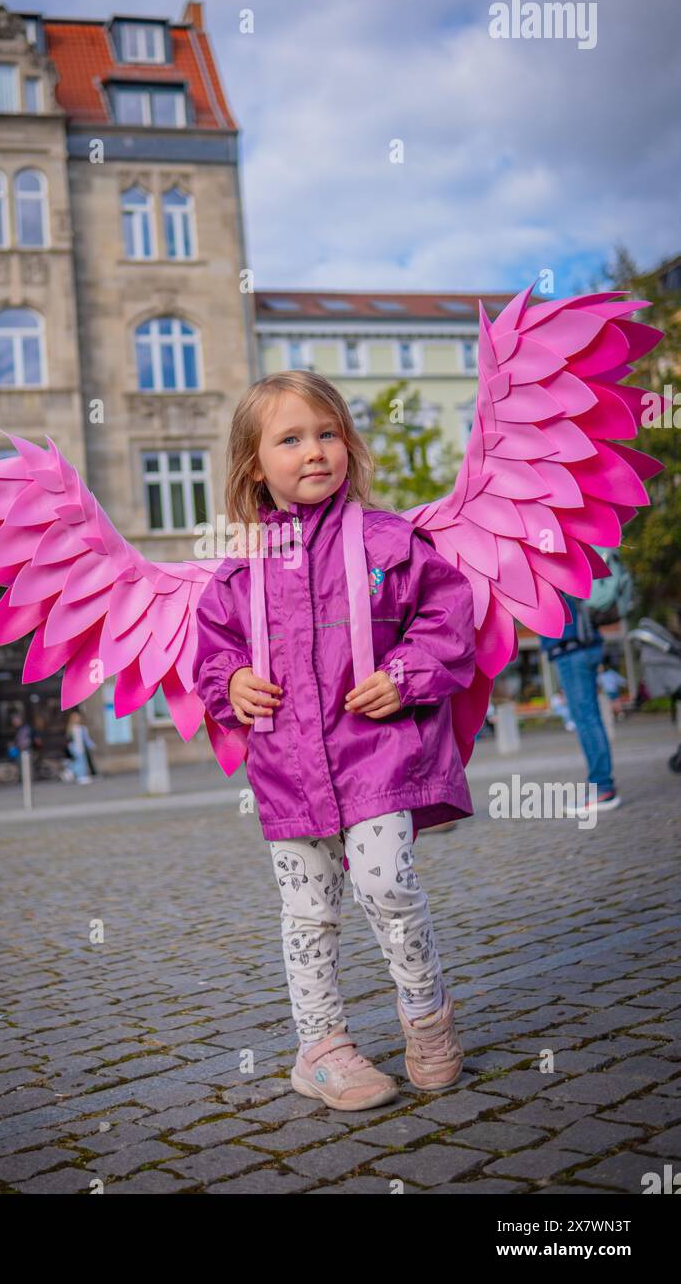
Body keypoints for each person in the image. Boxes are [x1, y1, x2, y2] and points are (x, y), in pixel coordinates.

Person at [192, 371, 476, 1111]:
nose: (314, 452)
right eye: (290, 439)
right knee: (309, 913)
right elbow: (212, 653)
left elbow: (446, 618)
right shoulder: (237, 571)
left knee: (386, 883)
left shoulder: (390, 540)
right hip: (287, 768)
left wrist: (405, 672)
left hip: (375, 755)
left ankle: (426, 1016)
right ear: (255, 462)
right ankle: (321, 1048)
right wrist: (231, 684)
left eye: (328, 434)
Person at [539, 592, 620, 815]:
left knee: (586, 719)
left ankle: (603, 788)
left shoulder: (543, 560)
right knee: (590, 717)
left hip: (571, 646)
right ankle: (603, 785)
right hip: (587, 641)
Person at [65, 709, 94, 784]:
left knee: (80, 761)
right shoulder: (76, 728)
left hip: (76, 747)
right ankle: (79, 776)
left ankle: (71, 772)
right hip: (76, 747)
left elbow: (86, 739)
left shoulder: (76, 728)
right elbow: (84, 739)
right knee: (81, 762)